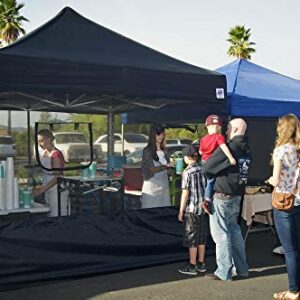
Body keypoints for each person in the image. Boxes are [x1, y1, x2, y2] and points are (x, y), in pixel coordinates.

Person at [203, 118, 251, 281]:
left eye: (229, 127)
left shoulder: (231, 147)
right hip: (237, 195)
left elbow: (208, 167)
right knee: (234, 232)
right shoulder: (247, 148)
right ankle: (242, 269)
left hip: (222, 196)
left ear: (236, 129)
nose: (226, 130)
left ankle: (224, 272)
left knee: (221, 234)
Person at [268, 114, 300, 300]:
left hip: (284, 203)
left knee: (289, 250)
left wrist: (271, 180)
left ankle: (293, 290)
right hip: (298, 201)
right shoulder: (298, 150)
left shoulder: (281, 150)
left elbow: (276, 179)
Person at [178, 145, 207, 275]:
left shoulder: (187, 172)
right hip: (203, 208)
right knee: (201, 237)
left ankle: (192, 265)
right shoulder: (203, 169)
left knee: (192, 238)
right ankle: (201, 263)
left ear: (186, 158)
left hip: (192, 209)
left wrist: (180, 211)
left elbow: (185, 193)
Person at [199, 114, 236, 203]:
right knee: (211, 181)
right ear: (219, 128)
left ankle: (206, 196)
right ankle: (207, 198)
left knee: (207, 180)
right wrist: (231, 158)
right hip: (212, 162)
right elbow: (223, 147)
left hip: (204, 161)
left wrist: (205, 153)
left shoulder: (203, 139)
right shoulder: (219, 137)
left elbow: (200, 151)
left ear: (207, 126)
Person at [32, 129, 69, 217]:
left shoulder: (55, 155)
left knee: (57, 217)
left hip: (57, 190)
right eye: (38, 142)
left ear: (49, 139)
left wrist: (42, 190)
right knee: (50, 215)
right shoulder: (45, 153)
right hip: (48, 189)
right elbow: (45, 170)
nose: (39, 144)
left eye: (41, 141)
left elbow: (57, 178)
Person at [141, 125, 171, 209]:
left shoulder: (165, 151)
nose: (161, 136)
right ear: (153, 135)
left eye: (162, 134)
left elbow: (167, 171)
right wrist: (165, 166)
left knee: (163, 215)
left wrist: (173, 169)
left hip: (164, 188)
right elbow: (150, 169)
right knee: (150, 215)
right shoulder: (147, 151)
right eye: (158, 134)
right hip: (151, 189)